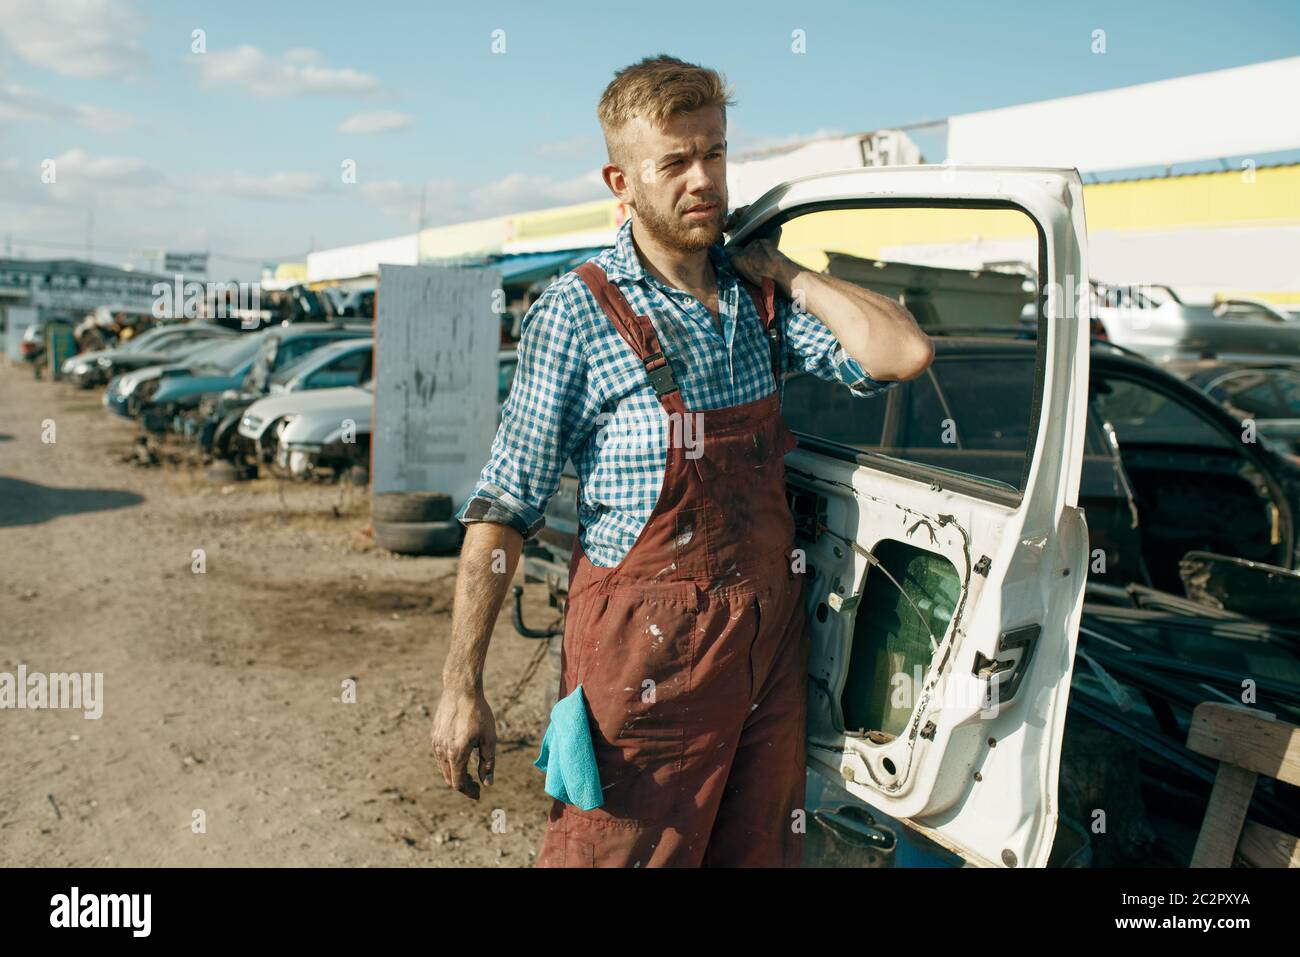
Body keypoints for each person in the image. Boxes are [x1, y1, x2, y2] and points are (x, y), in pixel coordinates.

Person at [431, 54, 933, 867]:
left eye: (716, 153)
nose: (703, 179)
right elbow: (504, 509)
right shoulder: (578, 312)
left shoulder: (754, 303)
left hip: (765, 654)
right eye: (675, 162)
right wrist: (462, 686)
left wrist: (791, 273)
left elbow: (902, 352)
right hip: (645, 663)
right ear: (620, 181)